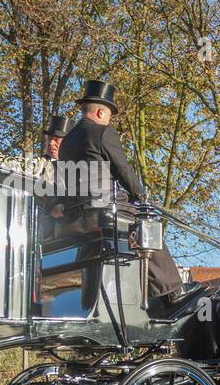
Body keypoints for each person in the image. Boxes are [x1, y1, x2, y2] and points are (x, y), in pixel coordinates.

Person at [57, 80, 186, 302]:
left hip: (75, 217)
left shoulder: (66, 142)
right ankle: (172, 292)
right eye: (108, 116)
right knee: (149, 230)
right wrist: (141, 197)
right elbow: (122, 169)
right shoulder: (101, 132)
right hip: (103, 210)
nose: (108, 120)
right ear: (100, 112)